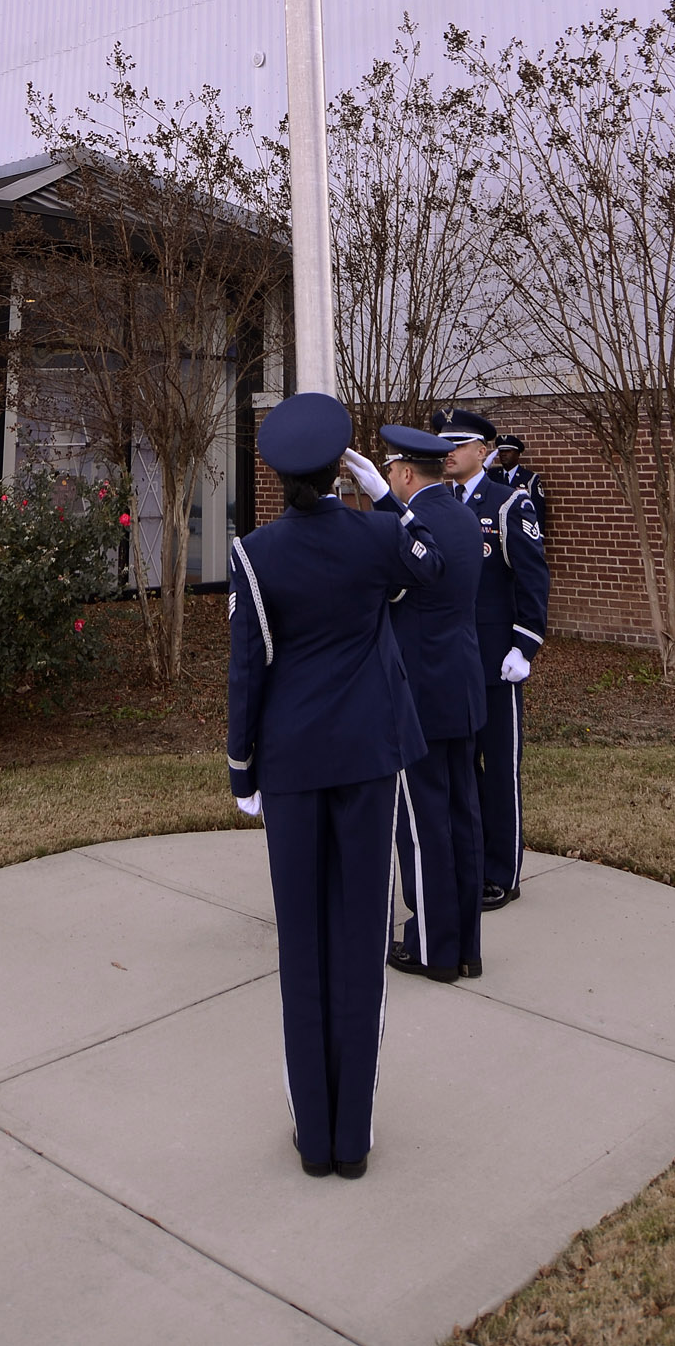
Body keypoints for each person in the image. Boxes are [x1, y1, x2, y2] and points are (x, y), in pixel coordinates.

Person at [228, 391, 443, 1181]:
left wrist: (240, 767)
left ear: (279, 477)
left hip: (289, 764)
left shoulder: (255, 552)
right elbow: (435, 568)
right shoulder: (378, 535)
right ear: (340, 468)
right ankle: (353, 1138)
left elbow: (247, 668)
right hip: (365, 759)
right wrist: (388, 498)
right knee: (359, 943)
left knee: (304, 946)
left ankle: (313, 1135)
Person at [364, 424, 486, 984]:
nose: (388, 479)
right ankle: (465, 946)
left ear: (407, 474)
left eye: (390, 473)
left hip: (419, 693)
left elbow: (397, 577)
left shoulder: (413, 524)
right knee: (463, 816)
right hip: (461, 686)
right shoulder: (463, 513)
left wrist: (384, 507)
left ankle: (434, 949)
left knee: (421, 824)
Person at [432, 408, 550, 909]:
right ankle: (466, 862)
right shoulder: (432, 505)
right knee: (459, 768)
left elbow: (532, 579)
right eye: (444, 443)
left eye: (460, 443)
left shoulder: (508, 504)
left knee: (499, 768)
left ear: (484, 450)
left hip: (496, 661)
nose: (450, 451)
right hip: (448, 661)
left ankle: (502, 871)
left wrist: (524, 645)